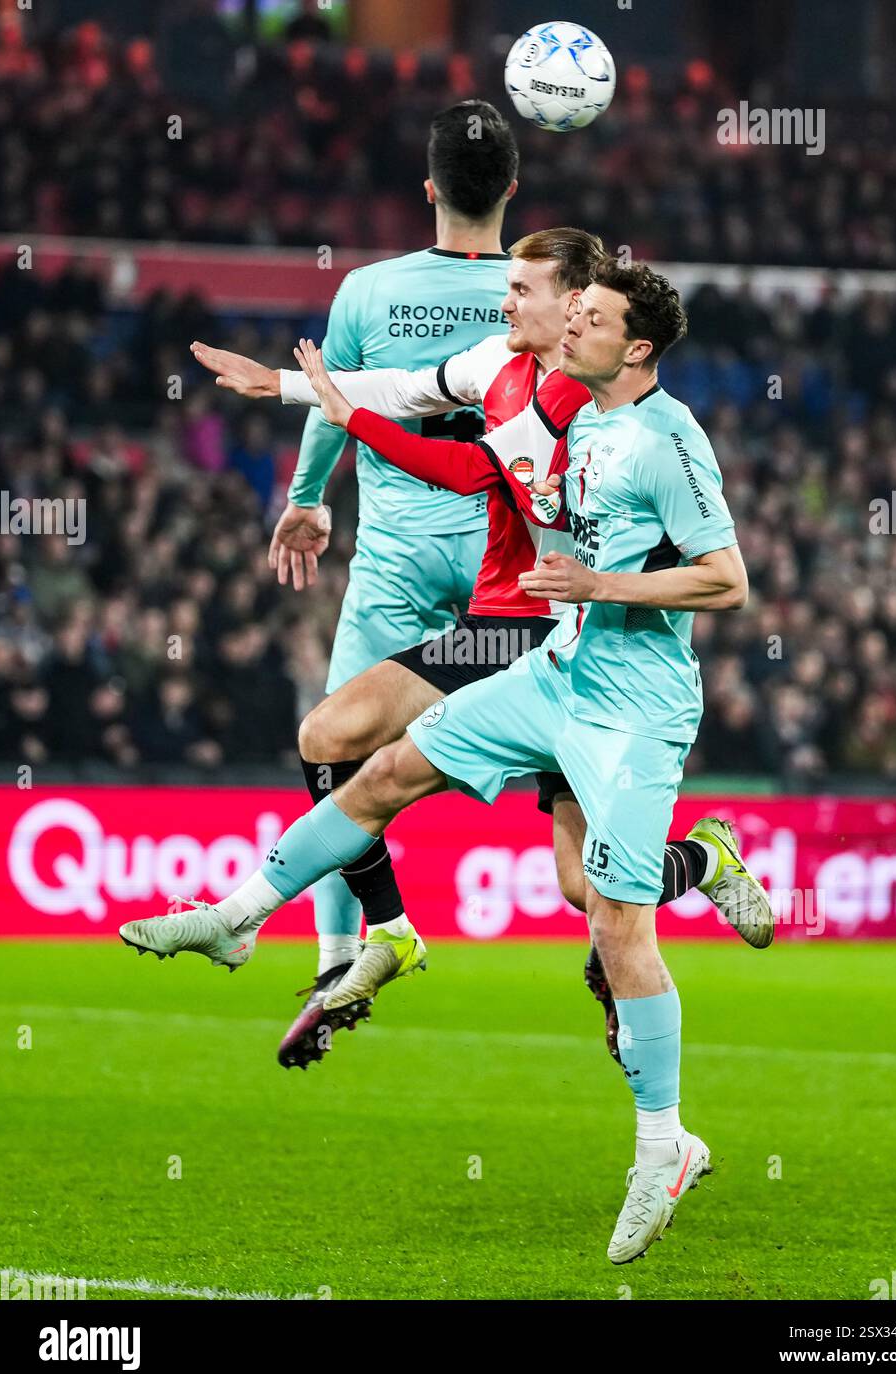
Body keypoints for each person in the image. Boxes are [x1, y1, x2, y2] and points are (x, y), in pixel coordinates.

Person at [125, 258, 752, 1262]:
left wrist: (597, 580)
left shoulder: (668, 437)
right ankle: (237, 917)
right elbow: (460, 447)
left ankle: (662, 1143)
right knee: (377, 771)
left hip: (633, 706)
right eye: (569, 308)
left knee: (613, 921)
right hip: (552, 668)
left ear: (631, 345)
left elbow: (727, 581)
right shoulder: (562, 415)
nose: (546, 320)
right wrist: (320, 398)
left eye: (579, 311)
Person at [189, 230, 773, 1069]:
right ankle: (378, 929)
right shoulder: (493, 366)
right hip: (511, 626)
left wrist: (341, 419)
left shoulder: (586, 398)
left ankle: (669, 893)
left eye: (523, 290)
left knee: (588, 889)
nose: (507, 305)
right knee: (338, 742)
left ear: (574, 307)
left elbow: (465, 468)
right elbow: (401, 387)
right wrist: (284, 385)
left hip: (552, 634)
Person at [195, 99, 517, 988]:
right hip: (510, 565)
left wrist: (306, 500)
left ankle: (342, 959)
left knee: (334, 751)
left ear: (427, 189)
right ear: (513, 191)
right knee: (568, 759)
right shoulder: (539, 297)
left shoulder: (368, 290)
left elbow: (333, 399)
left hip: (399, 562)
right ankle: (625, 944)